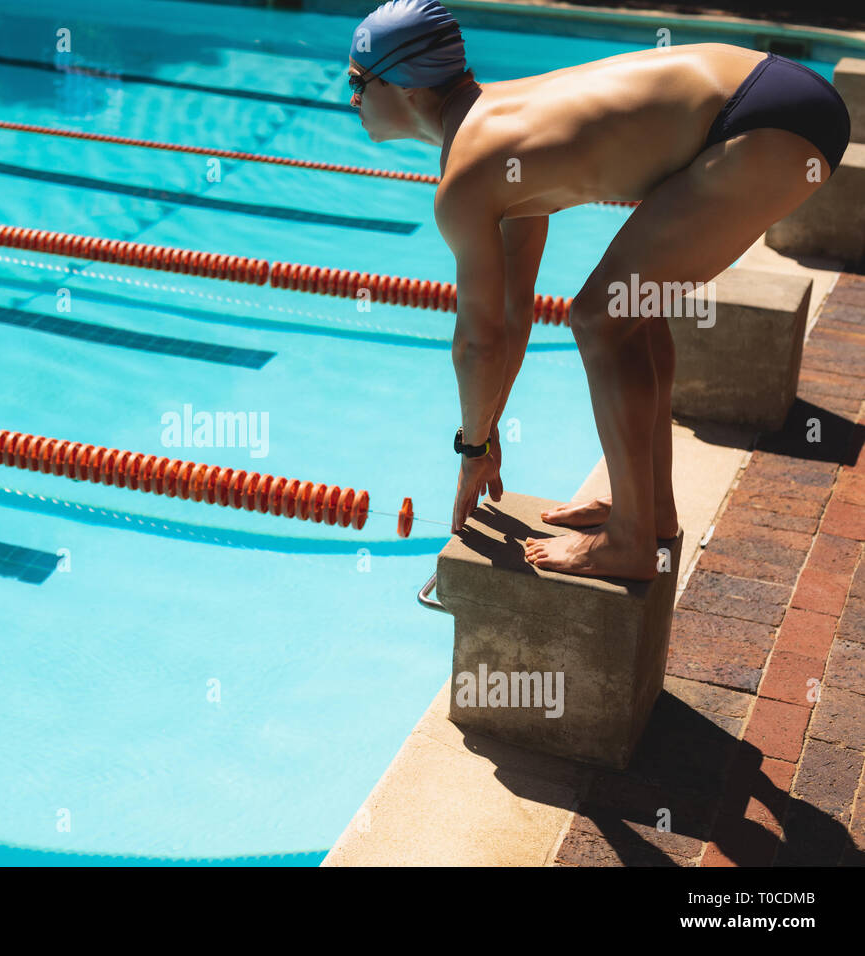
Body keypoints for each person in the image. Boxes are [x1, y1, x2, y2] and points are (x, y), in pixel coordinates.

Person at [348, 0, 850, 579]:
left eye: (359, 84)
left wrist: (470, 448)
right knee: (631, 310)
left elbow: (476, 343)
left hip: (763, 123)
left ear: (404, 84)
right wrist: (483, 444)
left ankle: (631, 544)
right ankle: (648, 511)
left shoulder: (466, 176)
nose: (352, 101)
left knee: (601, 317)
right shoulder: (494, 131)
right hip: (779, 94)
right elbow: (511, 317)